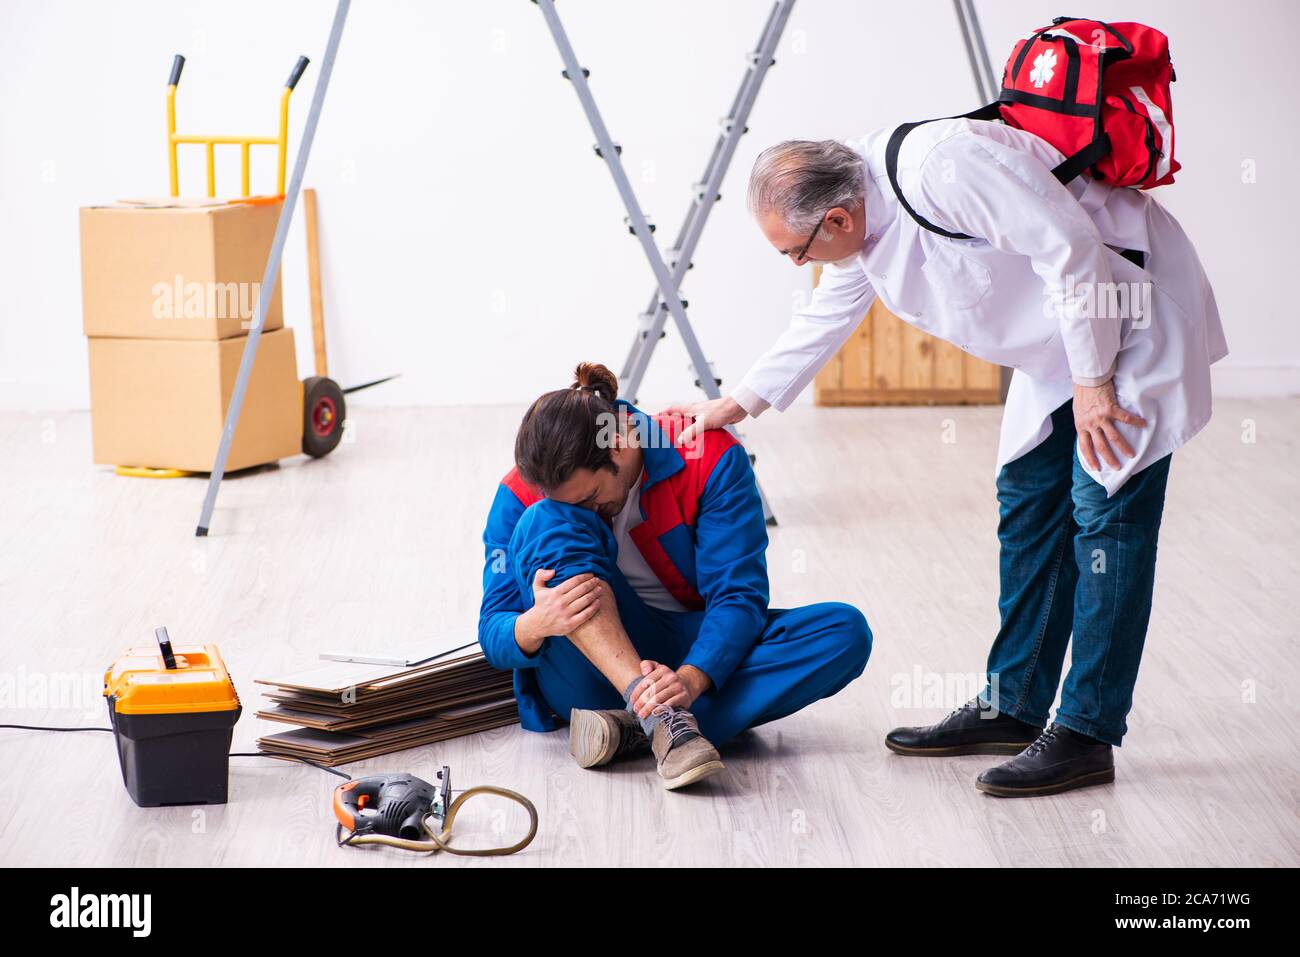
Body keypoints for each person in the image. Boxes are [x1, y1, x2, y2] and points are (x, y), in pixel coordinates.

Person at [669, 122, 1227, 797]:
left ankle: (1086, 731)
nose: (798, 266)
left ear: (837, 217)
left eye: (795, 252)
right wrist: (739, 402)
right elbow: (829, 314)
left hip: (1130, 318)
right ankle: (1013, 704)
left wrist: (1092, 381)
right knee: (1027, 505)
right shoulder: (863, 226)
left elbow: (1072, 246)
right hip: (1063, 343)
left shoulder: (943, 170)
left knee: (1106, 518)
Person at [478, 362, 872, 790]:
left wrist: (690, 678)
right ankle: (658, 717)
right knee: (543, 522)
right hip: (585, 669)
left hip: (682, 651)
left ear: (617, 444)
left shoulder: (708, 456)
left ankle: (632, 730)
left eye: (589, 498)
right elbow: (492, 630)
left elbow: (738, 597)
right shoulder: (522, 492)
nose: (586, 513)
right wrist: (535, 624)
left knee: (843, 632)